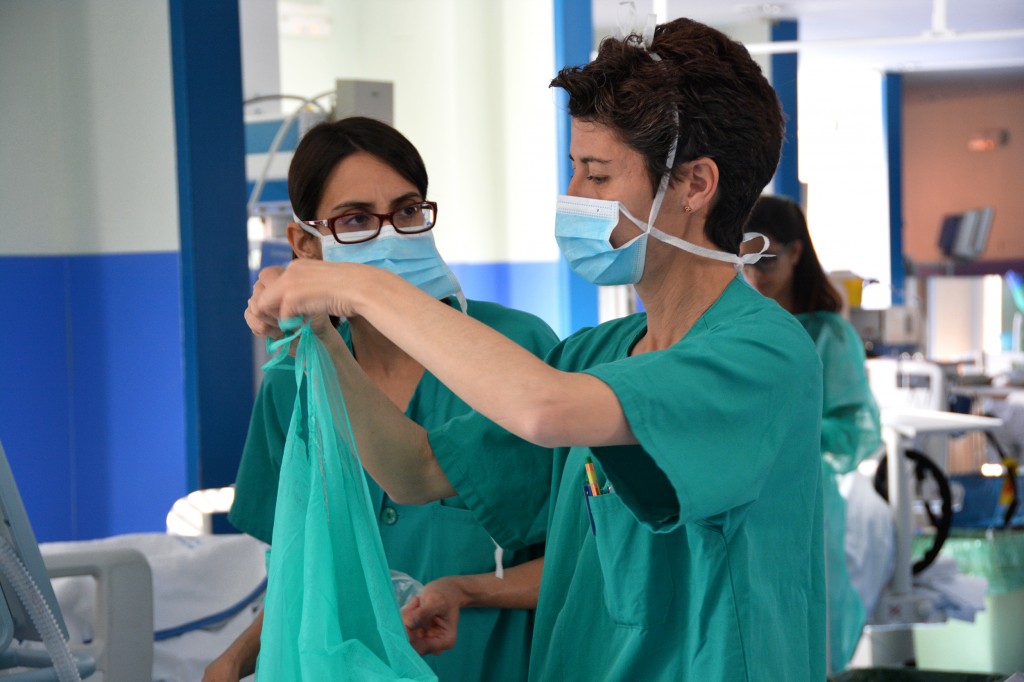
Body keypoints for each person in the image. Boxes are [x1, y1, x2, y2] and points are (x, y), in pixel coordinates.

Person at [247, 19, 827, 680]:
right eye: (573, 170)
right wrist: (325, 337)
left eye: (597, 175)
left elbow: (544, 409)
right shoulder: (595, 354)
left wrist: (362, 286)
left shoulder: (762, 356)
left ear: (695, 186)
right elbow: (415, 469)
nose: (574, 197)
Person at [204, 117, 558, 682]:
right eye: (356, 220)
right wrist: (234, 659)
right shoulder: (293, 382)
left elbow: (587, 552)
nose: (390, 236)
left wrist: (471, 590)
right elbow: (307, 571)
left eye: (408, 211)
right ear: (306, 244)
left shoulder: (515, 349)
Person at [743, 194, 883, 671]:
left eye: (766, 260)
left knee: (807, 634)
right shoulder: (743, 328)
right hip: (744, 498)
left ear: (795, 252)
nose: (755, 274)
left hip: (806, 500)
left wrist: (786, 429)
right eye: (745, 261)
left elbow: (856, 432)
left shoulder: (828, 336)